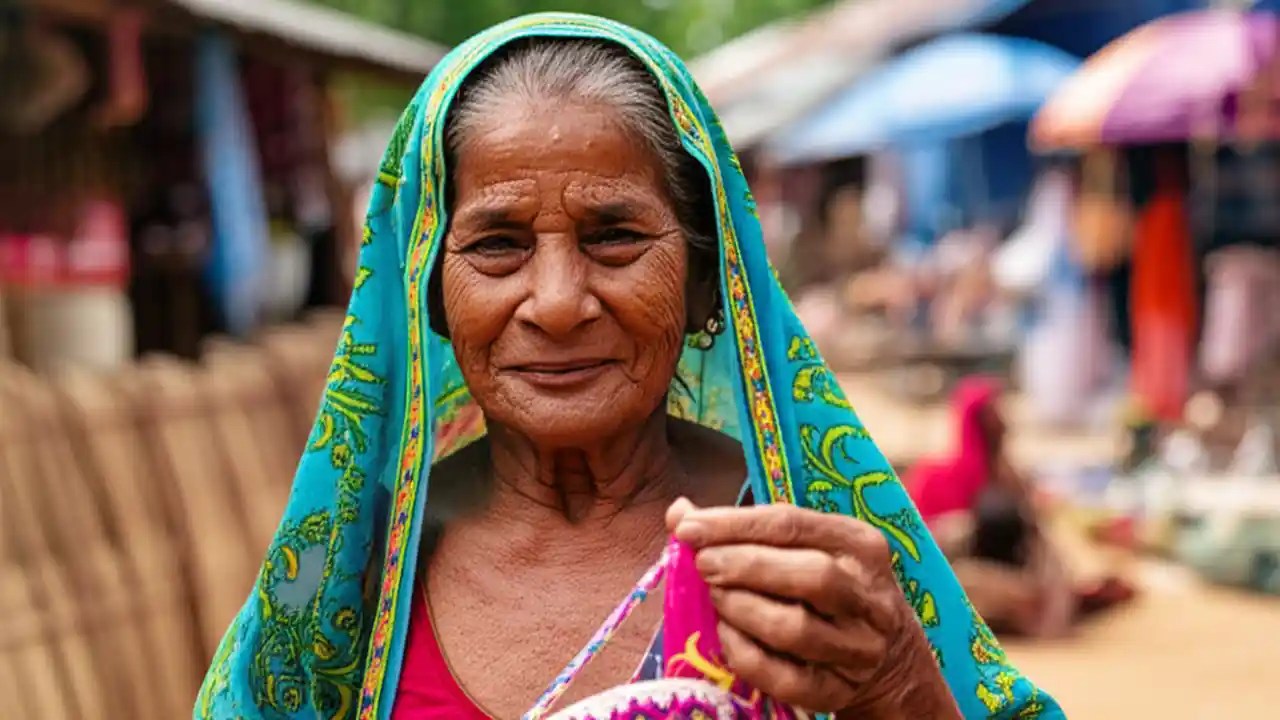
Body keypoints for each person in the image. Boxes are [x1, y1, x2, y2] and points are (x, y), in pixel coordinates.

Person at [196, 14, 1059, 720]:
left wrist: (900, 686)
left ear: (704, 282)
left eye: (615, 236)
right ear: (428, 300)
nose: (559, 301)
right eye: (496, 246)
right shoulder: (354, 581)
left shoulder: (815, 557)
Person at [908, 378, 1132, 637]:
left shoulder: (1011, 479)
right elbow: (923, 545)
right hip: (960, 573)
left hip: (1015, 572)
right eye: (994, 413)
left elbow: (1035, 536)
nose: (1002, 421)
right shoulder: (936, 477)